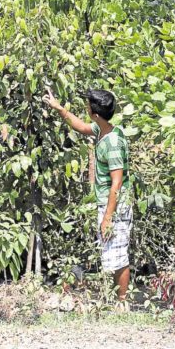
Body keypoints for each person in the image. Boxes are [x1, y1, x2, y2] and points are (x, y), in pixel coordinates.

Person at [44, 88, 132, 305]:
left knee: (118, 256)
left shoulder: (111, 143)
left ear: (96, 114)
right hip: (109, 202)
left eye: (88, 107)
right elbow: (82, 127)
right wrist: (58, 108)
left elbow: (117, 183)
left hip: (116, 205)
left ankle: (122, 303)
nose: (86, 110)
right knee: (110, 253)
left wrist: (108, 217)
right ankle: (113, 300)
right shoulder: (103, 130)